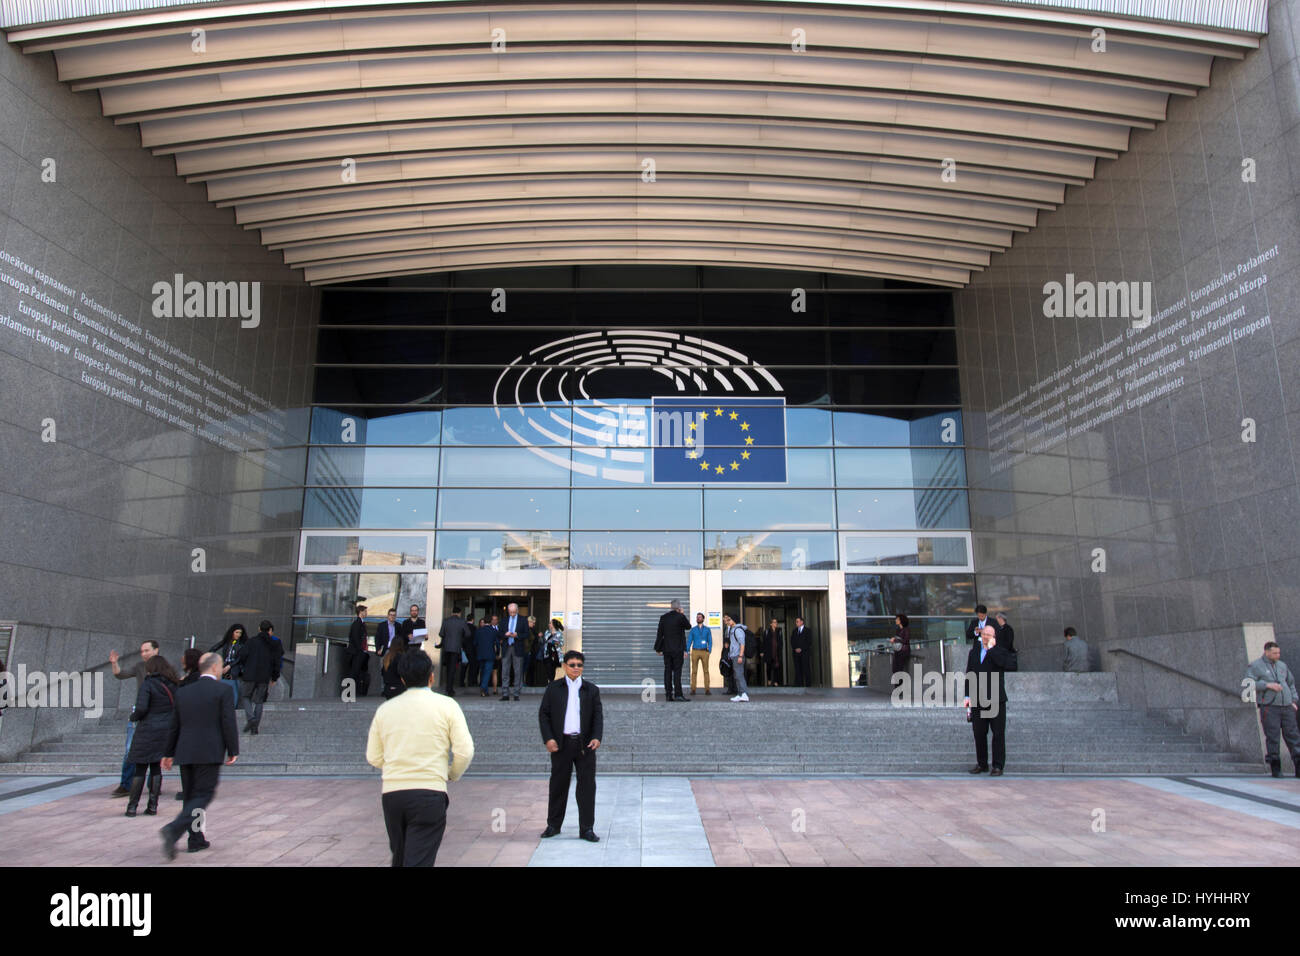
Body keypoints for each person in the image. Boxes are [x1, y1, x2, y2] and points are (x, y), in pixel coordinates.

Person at [367, 650, 475, 866]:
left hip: (393, 795)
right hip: (430, 792)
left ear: (402, 679)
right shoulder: (447, 706)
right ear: (431, 676)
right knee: (418, 860)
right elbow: (465, 750)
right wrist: (451, 774)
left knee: (400, 857)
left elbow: (373, 756)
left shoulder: (385, 710)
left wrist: (396, 767)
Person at [160, 652, 239, 859]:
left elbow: (174, 725)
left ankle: (195, 839)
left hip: (185, 751)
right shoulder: (223, 690)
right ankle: (174, 829)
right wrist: (233, 750)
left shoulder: (184, 692)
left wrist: (168, 753)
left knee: (191, 797)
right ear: (214, 668)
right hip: (209, 751)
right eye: (221, 667)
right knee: (203, 795)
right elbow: (228, 722)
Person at [538, 651, 603, 842]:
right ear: (565, 666)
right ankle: (553, 825)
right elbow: (544, 715)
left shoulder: (591, 690)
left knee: (587, 788)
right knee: (558, 785)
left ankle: (587, 829)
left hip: (585, 746)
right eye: (572, 664)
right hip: (561, 744)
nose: (576, 668)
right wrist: (548, 738)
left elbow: (598, 716)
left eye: (579, 665)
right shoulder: (553, 689)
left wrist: (597, 737)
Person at [124, 656, 181, 817]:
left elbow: (142, 708)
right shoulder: (173, 684)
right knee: (156, 768)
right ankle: (153, 806)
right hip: (165, 731)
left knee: (140, 769)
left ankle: (132, 807)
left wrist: (133, 717)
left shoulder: (148, 683)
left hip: (147, 730)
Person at [108, 640, 159, 797]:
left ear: (156, 650)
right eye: (142, 651)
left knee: (156, 751)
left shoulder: (164, 667)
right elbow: (120, 674)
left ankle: (154, 784)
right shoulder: (139, 667)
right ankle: (126, 785)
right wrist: (114, 663)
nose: (144, 654)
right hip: (140, 712)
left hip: (158, 713)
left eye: (147, 650)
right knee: (130, 748)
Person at [1245, 642, 1300, 778]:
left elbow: (1290, 683)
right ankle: (1276, 767)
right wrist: (1267, 685)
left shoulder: (1282, 665)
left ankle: (1298, 766)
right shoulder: (1256, 666)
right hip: (1269, 706)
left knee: (1293, 736)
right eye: (1275, 653)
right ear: (1267, 652)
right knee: (1273, 737)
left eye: (1278, 653)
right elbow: (1248, 683)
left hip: (1287, 706)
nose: (1278, 655)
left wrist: (1293, 700)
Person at [965, 624, 1012, 776]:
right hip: (978, 699)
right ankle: (982, 763)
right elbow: (969, 674)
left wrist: (991, 649)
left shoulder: (1000, 651)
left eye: (989, 635)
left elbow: (1004, 664)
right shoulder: (973, 652)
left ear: (994, 638)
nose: (985, 637)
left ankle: (998, 766)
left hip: (996, 700)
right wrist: (967, 696)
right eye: (984, 634)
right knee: (979, 732)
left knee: (998, 734)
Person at [233, 620, 282, 735]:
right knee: (259, 701)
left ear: (259, 629)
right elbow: (277, 662)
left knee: (245, 697)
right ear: (270, 631)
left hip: (250, 675)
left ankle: (251, 719)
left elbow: (242, 655)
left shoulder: (251, 642)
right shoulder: (275, 644)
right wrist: (274, 677)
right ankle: (255, 727)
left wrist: (245, 668)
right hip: (264, 677)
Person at [654, 599, 691, 702]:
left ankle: (668, 694)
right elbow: (688, 626)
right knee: (677, 672)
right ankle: (678, 694)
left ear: (671, 606)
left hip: (667, 649)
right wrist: (682, 614)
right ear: (679, 607)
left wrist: (657, 648)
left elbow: (659, 634)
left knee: (667, 671)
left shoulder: (664, 618)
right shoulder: (680, 617)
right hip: (678, 649)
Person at [436, 606, 471, 697]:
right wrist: (460, 638)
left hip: (446, 648)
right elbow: (468, 634)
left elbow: (441, 634)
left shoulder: (446, 621)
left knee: (448, 668)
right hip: (456, 648)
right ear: (459, 613)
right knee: (453, 669)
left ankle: (448, 687)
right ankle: (450, 689)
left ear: (452, 612)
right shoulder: (462, 622)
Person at [209, 624, 244, 709]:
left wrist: (230, 666)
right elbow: (213, 648)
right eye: (237, 632)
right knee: (223, 684)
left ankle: (233, 705)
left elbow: (239, 658)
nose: (238, 635)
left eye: (240, 633)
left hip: (234, 667)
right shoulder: (227, 642)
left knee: (232, 685)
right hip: (225, 666)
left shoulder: (241, 644)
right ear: (232, 632)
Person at [499, 603, 529, 701]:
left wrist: (517, 635)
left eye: (514, 612)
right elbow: (499, 633)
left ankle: (516, 693)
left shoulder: (523, 620)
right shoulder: (503, 620)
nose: (512, 614)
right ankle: (505, 694)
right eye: (510, 612)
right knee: (505, 671)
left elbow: (527, 634)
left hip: (518, 647)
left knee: (517, 671)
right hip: (507, 647)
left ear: (517, 611)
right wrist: (505, 634)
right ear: (508, 611)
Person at [724, 614, 750, 702]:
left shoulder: (738, 630)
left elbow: (742, 644)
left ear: (734, 620)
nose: (728, 621)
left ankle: (744, 694)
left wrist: (740, 656)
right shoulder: (733, 629)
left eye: (730, 619)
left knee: (739, 675)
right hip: (734, 655)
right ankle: (740, 694)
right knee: (737, 675)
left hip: (738, 656)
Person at [346, 603, 370, 696]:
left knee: (357, 672)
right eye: (365, 611)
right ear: (360, 612)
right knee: (354, 672)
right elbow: (355, 638)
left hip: (359, 652)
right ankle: (349, 693)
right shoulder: (357, 624)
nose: (366, 613)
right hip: (356, 653)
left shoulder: (361, 623)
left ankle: (354, 692)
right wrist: (360, 649)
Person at [687, 612, 712, 695]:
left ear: (703, 619)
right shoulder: (693, 629)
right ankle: (693, 689)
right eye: (697, 617)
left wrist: (709, 650)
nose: (698, 618)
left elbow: (710, 640)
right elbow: (689, 640)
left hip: (705, 651)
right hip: (695, 651)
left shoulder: (707, 629)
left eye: (700, 617)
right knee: (694, 671)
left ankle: (707, 689)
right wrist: (687, 650)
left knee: (706, 671)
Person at [474, 617, 500, 696]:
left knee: (483, 672)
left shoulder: (478, 631)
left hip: (480, 654)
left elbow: (475, 643)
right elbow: (497, 644)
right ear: (491, 621)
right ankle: (483, 688)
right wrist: (498, 653)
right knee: (488, 672)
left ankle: (484, 690)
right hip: (490, 654)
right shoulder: (494, 631)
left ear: (484, 622)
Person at [381, 634, 410, 699]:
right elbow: (402, 673)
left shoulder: (387, 657)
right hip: (399, 688)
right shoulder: (401, 657)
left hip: (388, 688)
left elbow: (383, 672)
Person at [760, 618, 784, 687]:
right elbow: (763, 642)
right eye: (774, 622)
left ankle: (776, 681)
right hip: (769, 652)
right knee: (769, 667)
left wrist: (780, 649)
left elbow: (781, 642)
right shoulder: (767, 631)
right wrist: (762, 651)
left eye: (776, 622)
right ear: (771, 624)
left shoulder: (779, 631)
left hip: (776, 653)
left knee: (776, 667)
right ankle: (769, 680)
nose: (775, 623)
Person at [789, 616, 812, 687]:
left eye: (797, 621)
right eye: (796, 621)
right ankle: (799, 685)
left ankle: (808, 685)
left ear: (802, 622)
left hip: (804, 653)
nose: (796, 623)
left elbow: (809, 642)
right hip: (796, 654)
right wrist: (795, 648)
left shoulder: (808, 631)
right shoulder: (794, 631)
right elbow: (792, 641)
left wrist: (801, 648)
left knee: (806, 669)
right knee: (798, 669)